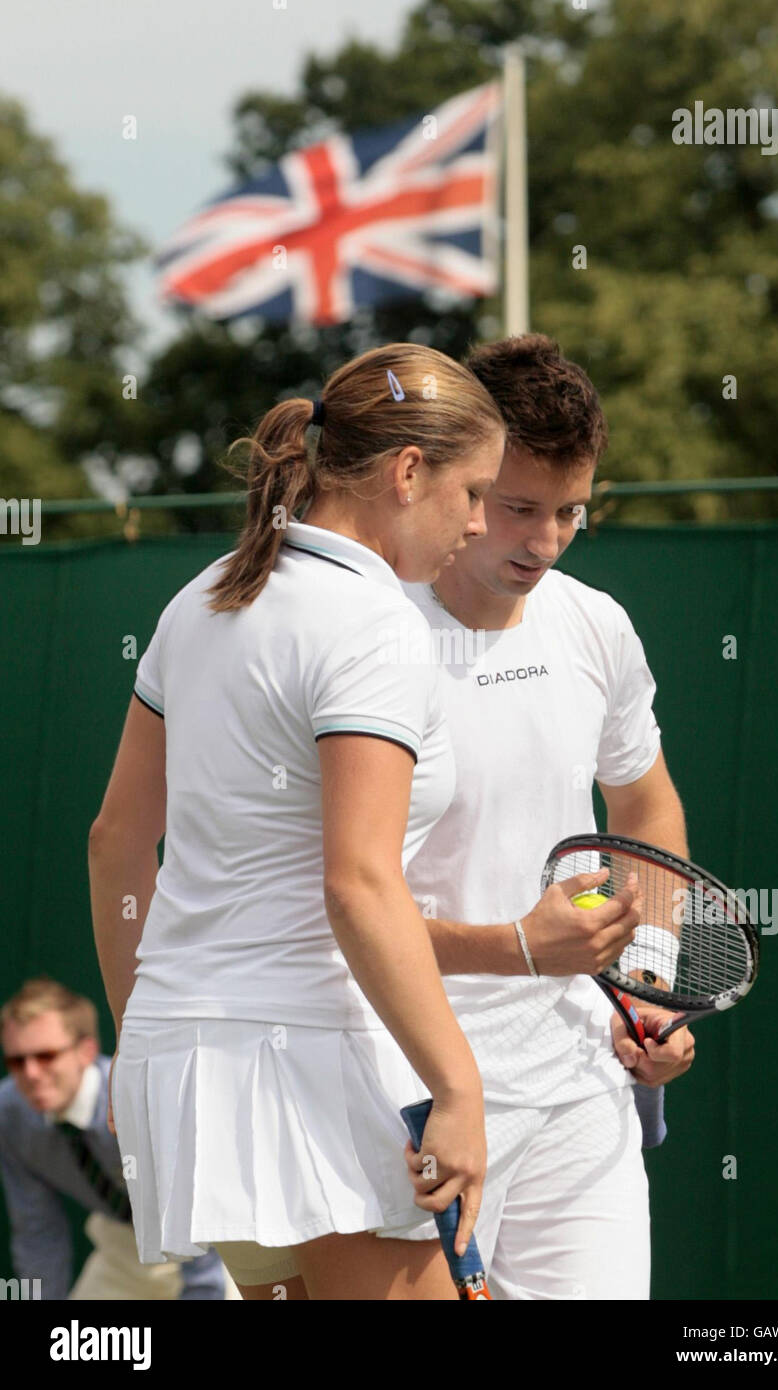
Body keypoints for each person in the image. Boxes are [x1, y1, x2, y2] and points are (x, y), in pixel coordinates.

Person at [88, 343, 507, 1301]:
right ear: (408, 473)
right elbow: (358, 881)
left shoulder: (192, 601)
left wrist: (141, 1029)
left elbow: (115, 840)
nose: (480, 522)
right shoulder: (376, 625)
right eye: (473, 491)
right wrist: (458, 1088)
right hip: (309, 1070)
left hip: (181, 1068)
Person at [398, 334, 696, 1299]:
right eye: (519, 508)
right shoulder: (368, 636)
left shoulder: (594, 624)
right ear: (460, 477)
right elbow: (339, 903)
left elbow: (643, 799)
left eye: (571, 511)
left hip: (579, 1087)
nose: (544, 540)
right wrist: (519, 946)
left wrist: (647, 982)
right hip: (405, 1085)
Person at [0, 978, 236, 1299]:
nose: (31, 1073)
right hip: (122, 1246)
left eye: (46, 1056)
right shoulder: (11, 1114)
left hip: (217, 1243)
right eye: (16, 1061)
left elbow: (197, 1209)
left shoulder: (140, 1099)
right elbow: (37, 1233)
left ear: (86, 1051)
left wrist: (203, 1291)